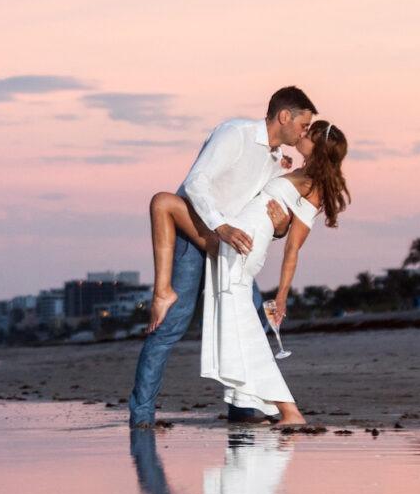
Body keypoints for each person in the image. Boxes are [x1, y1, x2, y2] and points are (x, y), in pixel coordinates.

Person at [129, 86, 316, 428]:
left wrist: (279, 228)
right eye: (303, 124)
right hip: (192, 233)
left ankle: (242, 413)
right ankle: (141, 419)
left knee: (254, 324)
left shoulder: (277, 162)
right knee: (171, 326)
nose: (304, 132)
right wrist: (222, 226)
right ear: (284, 116)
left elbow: (268, 216)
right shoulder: (235, 133)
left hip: (226, 249)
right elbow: (196, 182)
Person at [199, 120, 350, 425]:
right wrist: (276, 169)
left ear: (319, 148)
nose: (303, 134)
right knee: (237, 325)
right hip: (239, 238)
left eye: (310, 134)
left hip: (245, 244)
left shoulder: (314, 187)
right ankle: (253, 401)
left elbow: (293, 248)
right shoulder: (294, 172)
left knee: (244, 327)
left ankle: (288, 410)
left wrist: (281, 296)